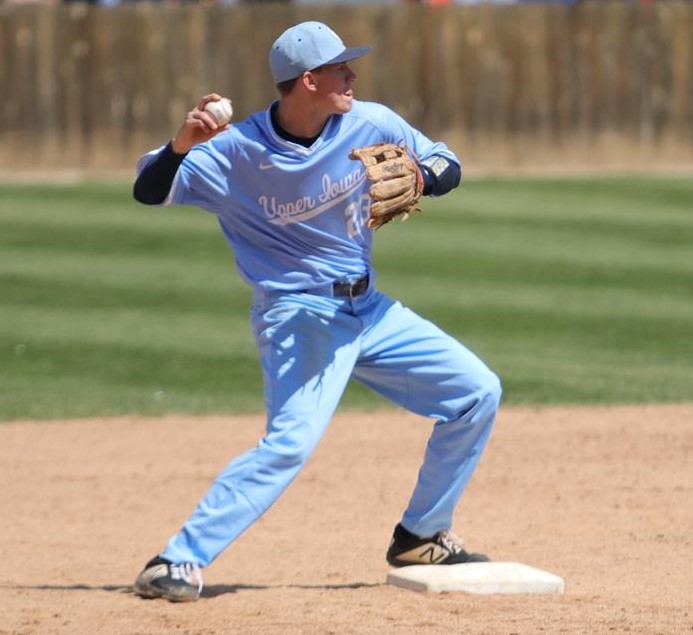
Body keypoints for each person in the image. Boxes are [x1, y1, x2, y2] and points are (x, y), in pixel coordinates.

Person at [130, 20, 502, 602]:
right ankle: (175, 560)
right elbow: (149, 190)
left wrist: (424, 176)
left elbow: (446, 163)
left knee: (476, 393)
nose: (352, 76)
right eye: (340, 68)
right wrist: (182, 144)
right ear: (308, 80)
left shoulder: (370, 122)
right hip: (298, 316)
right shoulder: (236, 150)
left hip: (370, 310)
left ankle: (421, 535)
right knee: (290, 443)